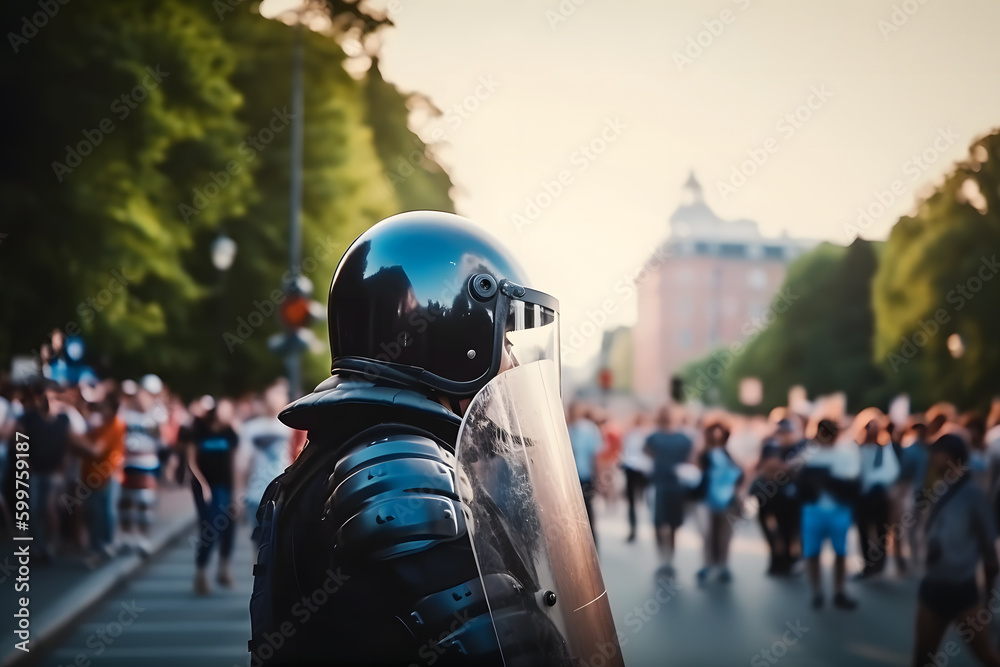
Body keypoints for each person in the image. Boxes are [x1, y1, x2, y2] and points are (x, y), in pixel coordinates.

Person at [248, 212, 620, 666]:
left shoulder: (351, 449)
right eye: (504, 341)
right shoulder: (402, 473)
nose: (514, 362)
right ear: (454, 340)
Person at [912, 434, 1000, 667]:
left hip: (962, 589)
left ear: (951, 457)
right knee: (922, 657)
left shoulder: (972, 494)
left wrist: (988, 599)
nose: (932, 459)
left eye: (937, 454)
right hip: (933, 584)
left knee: (986, 657)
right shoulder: (938, 487)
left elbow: (989, 547)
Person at [798, 419, 859, 610]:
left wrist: (825, 479)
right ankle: (816, 592)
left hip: (838, 511)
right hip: (813, 510)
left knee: (840, 552)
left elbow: (850, 483)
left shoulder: (845, 454)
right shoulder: (808, 455)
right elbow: (797, 479)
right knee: (812, 553)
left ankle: (838, 591)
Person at [183, 396, 240, 595]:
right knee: (211, 524)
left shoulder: (230, 432)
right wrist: (203, 486)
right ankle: (201, 571)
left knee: (229, 524)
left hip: (225, 485)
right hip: (204, 487)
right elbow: (192, 462)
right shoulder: (198, 431)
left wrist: (236, 491)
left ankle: (224, 569)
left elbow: (234, 463)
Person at [237, 382, 292, 545]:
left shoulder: (292, 429)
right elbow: (241, 462)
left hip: (284, 493)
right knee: (259, 541)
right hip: (256, 493)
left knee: (280, 542)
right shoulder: (252, 428)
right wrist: (239, 491)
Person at [752, 418, 808, 575]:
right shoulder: (771, 445)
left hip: (787, 496)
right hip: (769, 494)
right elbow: (768, 467)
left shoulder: (799, 445)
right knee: (771, 528)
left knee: (788, 529)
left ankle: (787, 559)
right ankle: (778, 559)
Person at [644, 406, 693, 579]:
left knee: (670, 524)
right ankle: (663, 559)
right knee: (659, 522)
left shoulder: (684, 439)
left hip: (674, 485)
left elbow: (690, 460)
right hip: (659, 484)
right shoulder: (654, 437)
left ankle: (668, 560)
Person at [79, 392, 125, 564]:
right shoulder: (101, 426)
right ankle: (99, 546)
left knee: (103, 513)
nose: (100, 410)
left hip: (106, 476)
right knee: (94, 513)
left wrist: (72, 438)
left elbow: (95, 449)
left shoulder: (115, 425)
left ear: (112, 409)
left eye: (104, 407)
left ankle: (103, 547)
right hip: (93, 476)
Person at [695, 420, 743, 585]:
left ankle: (723, 564)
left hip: (727, 499)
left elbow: (740, 472)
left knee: (724, 534)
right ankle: (709, 563)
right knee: (709, 534)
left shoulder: (728, 453)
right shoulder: (703, 454)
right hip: (707, 499)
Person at [118, 379, 163, 555]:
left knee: (145, 501)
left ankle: (144, 538)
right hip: (128, 463)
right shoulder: (125, 414)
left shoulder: (156, 415)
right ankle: (127, 536)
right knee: (127, 501)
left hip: (147, 462)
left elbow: (162, 438)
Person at [855, 409, 900, 579]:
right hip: (861, 497)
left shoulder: (884, 449)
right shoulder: (856, 448)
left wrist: (874, 482)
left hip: (878, 496)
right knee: (863, 531)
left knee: (881, 530)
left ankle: (879, 564)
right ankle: (867, 564)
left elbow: (890, 472)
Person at [568, 402, 604, 547]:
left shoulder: (584, 429)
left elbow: (596, 456)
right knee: (582, 517)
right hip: (578, 479)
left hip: (579, 478)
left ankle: (588, 548)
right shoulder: (569, 428)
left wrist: (599, 477)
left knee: (583, 516)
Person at [620, 411, 654, 542]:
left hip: (634, 468)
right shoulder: (645, 434)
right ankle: (642, 528)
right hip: (641, 469)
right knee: (642, 500)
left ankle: (634, 529)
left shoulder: (634, 433)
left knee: (633, 501)